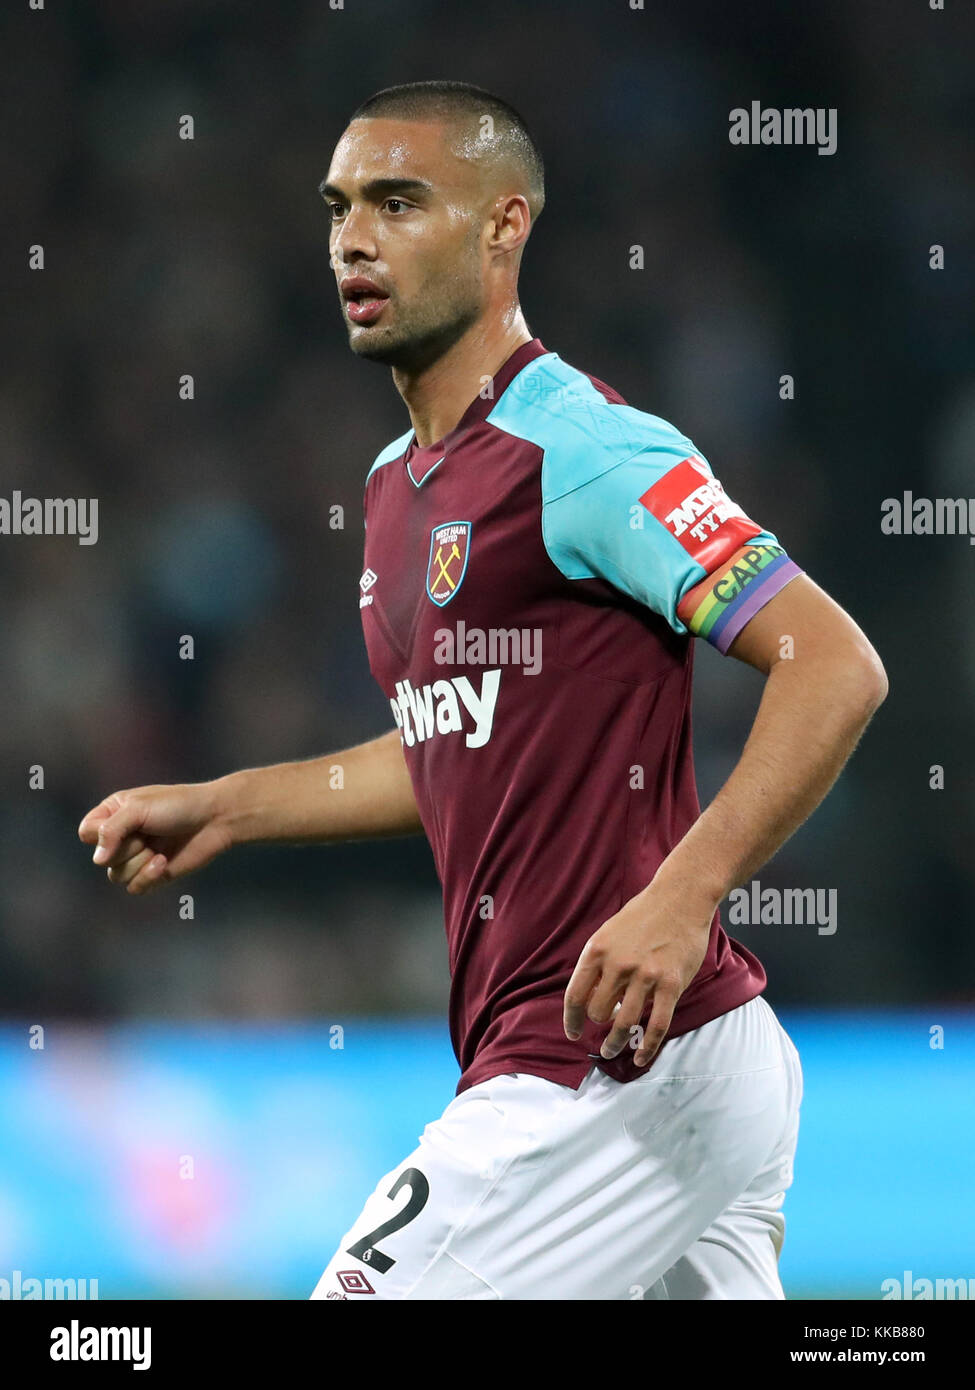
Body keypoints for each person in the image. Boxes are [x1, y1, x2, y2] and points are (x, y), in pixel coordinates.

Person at [79, 81, 888, 1300]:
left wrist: (683, 895)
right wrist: (231, 805)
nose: (354, 236)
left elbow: (833, 664)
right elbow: (453, 745)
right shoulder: (396, 486)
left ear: (503, 226)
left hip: (604, 1058)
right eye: (341, 207)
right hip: (675, 1059)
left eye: (400, 203)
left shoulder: (589, 450)